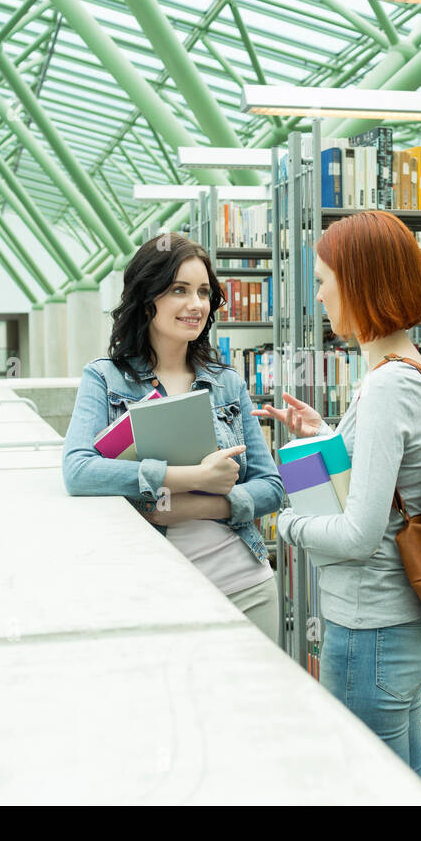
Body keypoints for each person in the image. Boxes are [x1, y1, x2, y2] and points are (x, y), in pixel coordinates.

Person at [254, 210, 421, 779]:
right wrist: (327, 437)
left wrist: (284, 523)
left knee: (365, 784)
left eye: (322, 281)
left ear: (358, 283)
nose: (318, 297)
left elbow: (360, 535)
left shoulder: (386, 386)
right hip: (400, 620)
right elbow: (391, 482)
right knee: (401, 779)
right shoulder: (414, 370)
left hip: (372, 627)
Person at [61, 233, 285, 644]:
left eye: (203, 292)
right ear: (148, 298)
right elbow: (79, 472)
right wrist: (191, 477)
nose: (196, 304)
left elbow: (272, 487)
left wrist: (193, 507)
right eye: (179, 290)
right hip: (153, 591)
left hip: (246, 588)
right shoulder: (105, 378)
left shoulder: (226, 382)